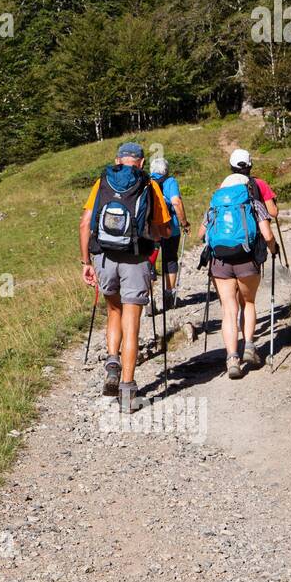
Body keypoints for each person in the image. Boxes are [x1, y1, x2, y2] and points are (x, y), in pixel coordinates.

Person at [80, 142, 173, 412]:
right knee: (132, 323)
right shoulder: (149, 185)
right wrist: (161, 234)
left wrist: (86, 262)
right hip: (137, 258)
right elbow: (163, 229)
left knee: (113, 312)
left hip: (104, 257)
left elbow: (85, 223)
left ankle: (112, 363)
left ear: (118, 159)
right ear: (142, 163)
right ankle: (128, 391)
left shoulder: (103, 181)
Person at [203, 152, 280, 378]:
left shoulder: (216, 202)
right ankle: (248, 345)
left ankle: (232, 359)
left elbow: (202, 233)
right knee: (248, 302)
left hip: (220, 262)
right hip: (247, 260)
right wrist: (274, 249)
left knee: (229, 310)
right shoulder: (253, 203)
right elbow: (266, 234)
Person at [149, 158, 189, 309]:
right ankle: (169, 296)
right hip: (170, 229)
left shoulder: (146, 182)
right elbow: (176, 202)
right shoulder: (170, 182)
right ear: (166, 170)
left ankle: (148, 301)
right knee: (170, 260)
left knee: (149, 262)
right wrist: (184, 222)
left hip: (150, 231)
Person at [229, 148, 278, 218]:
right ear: (250, 165)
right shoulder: (260, 183)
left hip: (231, 227)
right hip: (255, 227)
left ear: (231, 167)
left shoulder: (225, 185)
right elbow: (273, 212)